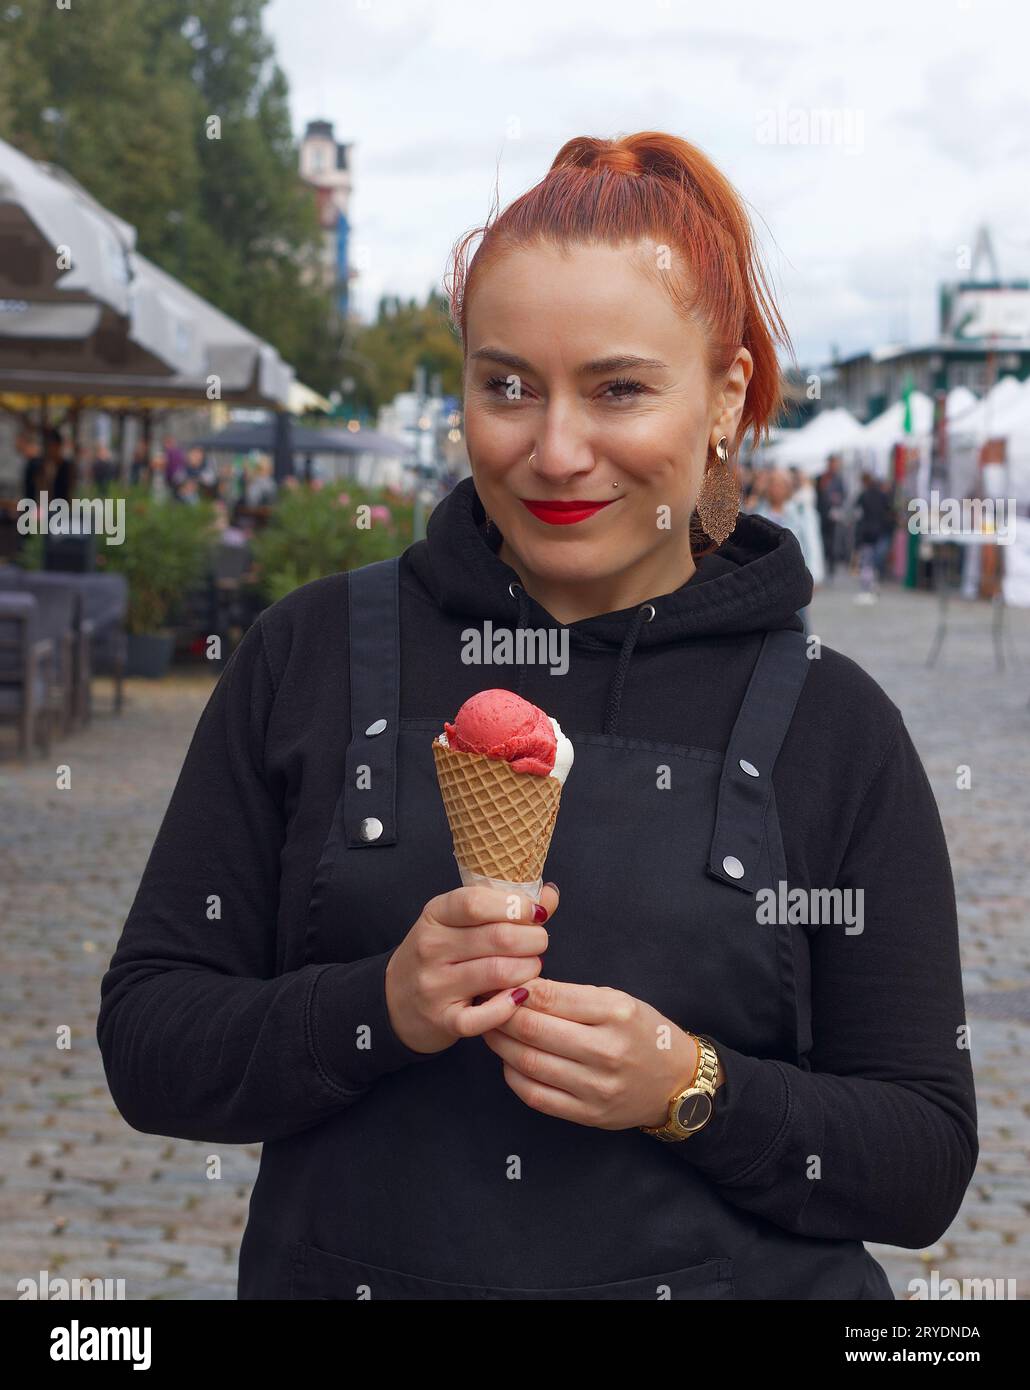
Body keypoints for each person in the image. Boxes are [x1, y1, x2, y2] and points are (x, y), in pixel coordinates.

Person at [98, 131, 976, 1302]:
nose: (555, 450)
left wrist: (689, 1085)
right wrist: (379, 1007)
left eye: (618, 388)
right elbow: (152, 1043)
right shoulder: (308, 655)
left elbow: (920, 1161)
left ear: (724, 397)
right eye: (506, 384)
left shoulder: (833, 723)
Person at [747, 468, 823, 632]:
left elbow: (812, 543)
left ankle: (804, 653)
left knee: (800, 622)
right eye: (772, 483)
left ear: (788, 487)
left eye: (780, 483)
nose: (776, 487)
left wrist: (815, 575)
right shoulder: (759, 511)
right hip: (766, 579)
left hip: (793, 575)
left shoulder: (801, 511)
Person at [854, 470, 891, 603]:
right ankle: (874, 585)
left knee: (867, 562)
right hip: (880, 532)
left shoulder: (863, 495)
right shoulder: (882, 495)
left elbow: (857, 513)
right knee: (875, 561)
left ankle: (868, 588)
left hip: (867, 533)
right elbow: (888, 511)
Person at [816, 454, 846, 580]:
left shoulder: (838, 479)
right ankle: (824, 562)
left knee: (833, 540)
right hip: (821, 513)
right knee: (823, 539)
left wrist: (838, 500)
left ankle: (831, 566)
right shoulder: (821, 477)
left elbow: (844, 494)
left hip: (833, 514)